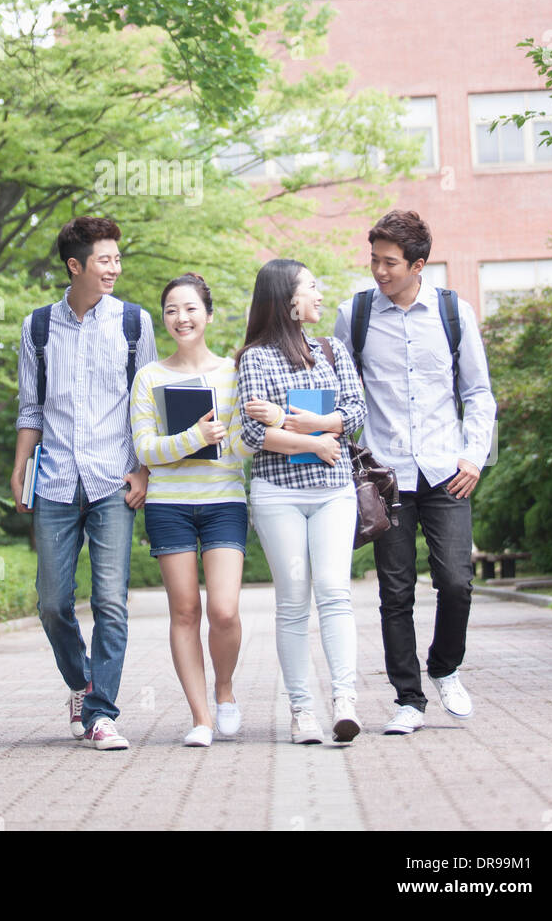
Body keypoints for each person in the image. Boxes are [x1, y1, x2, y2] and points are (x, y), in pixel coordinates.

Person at [334, 210, 496, 735]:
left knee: (456, 582)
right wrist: (354, 462)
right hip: (387, 477)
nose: (378, 271)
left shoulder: (453, 313)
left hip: (448, 470)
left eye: (389, 262)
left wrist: (473, 456)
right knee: (395, 591)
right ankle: (409, 699)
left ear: (418, 264)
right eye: (374, 260)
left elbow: (477, 393)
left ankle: (445, 667)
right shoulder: (353, 315)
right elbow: (344, 397)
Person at [12, 216, 157, 750]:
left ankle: (101, 714)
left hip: (113, 480)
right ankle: (81, 681)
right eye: (105, 259)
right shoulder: (38, 328)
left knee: (111, 602)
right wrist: (20, 463)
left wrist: (144, 470)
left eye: (118, 258)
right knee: (52, 602)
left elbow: (147, 410)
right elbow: (31, 405)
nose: (115, 267)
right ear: (75, 266)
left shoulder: (134, 324)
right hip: (52, 480)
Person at [237, 258, 366, 745]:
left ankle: (344, 700)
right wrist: (316, 440)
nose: (318, 293)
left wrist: (294, 421)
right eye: (310, 287)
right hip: (278, 495)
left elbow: (354, 412)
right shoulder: (255, 357)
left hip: (334, 492)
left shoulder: (331, 350)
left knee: (334, 590)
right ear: (287, 300)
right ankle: (302, 710)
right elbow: (253, 433)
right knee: (293, 601)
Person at [130, 273, 255, 747]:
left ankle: (224, 688)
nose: (180, 318)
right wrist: (193, 439)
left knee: (223, 611)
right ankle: (200, 717)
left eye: (189, 309)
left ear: (207, 313)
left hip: (223, 500)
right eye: (171, 311)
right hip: (168, 505)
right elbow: (145, 448)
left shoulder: (233, 372)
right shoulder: (150, 376)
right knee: (184, 611)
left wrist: (236, 434)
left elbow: (246, 447)